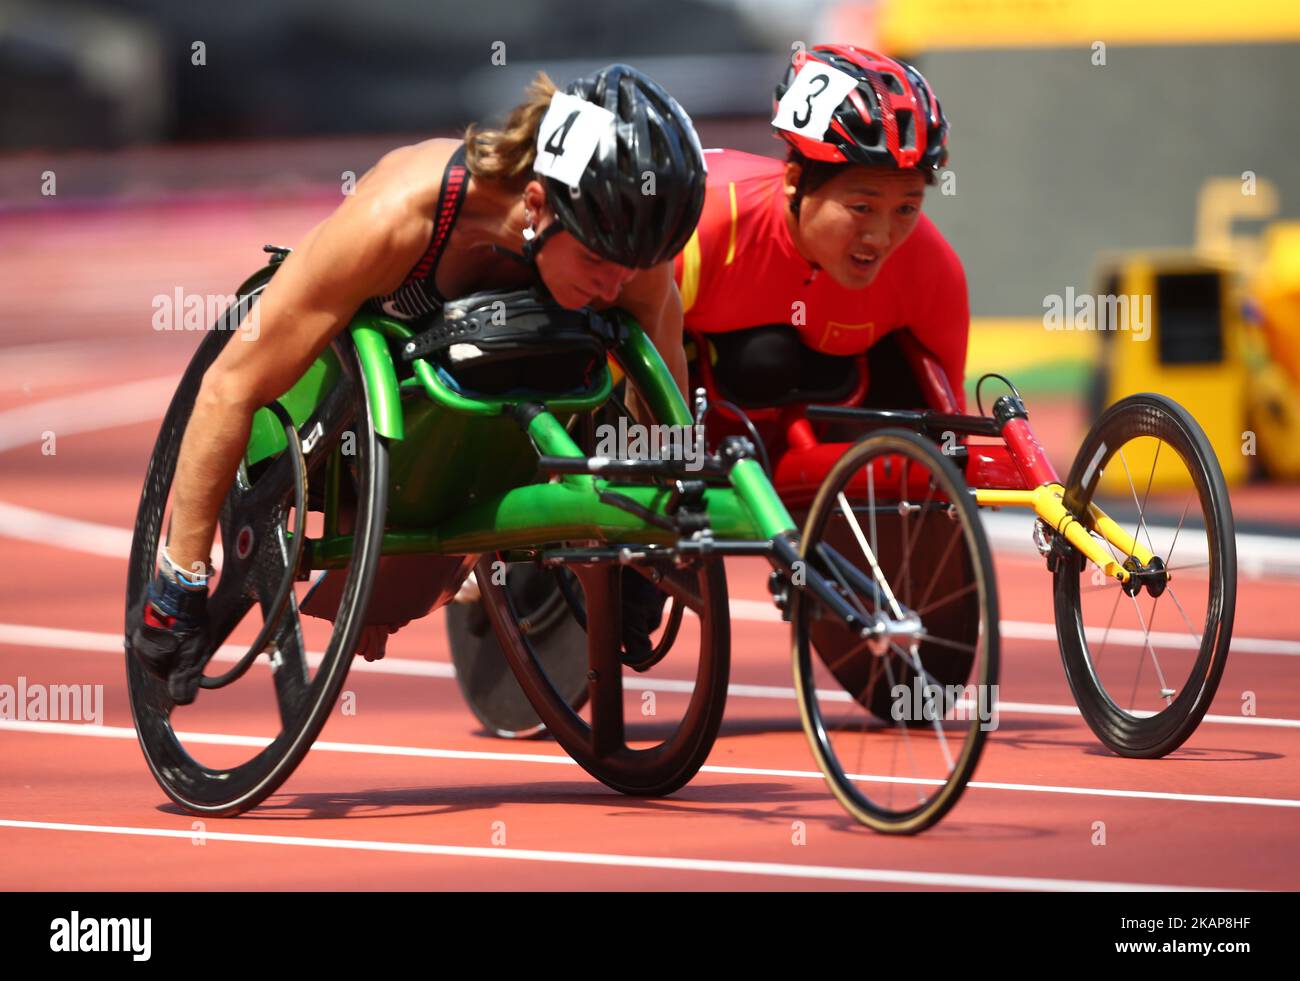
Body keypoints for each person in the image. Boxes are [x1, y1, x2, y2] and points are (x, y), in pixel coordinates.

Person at [129, 64, 708, 703]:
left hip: (499, 414)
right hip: (365, 426)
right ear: (538, 205)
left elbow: (664, 417)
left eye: (635, 267)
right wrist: (178, 580)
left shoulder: (629, 245)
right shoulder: (398, 216)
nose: (616, 285)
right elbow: (229, 387)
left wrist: (653, 537)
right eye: (598, 260)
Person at [673, 44, 968, 412]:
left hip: (826, 434)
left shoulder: (928, 267)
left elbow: (954, 433)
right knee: (763, 358)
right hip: (684, 423)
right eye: (862, 207)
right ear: (795, 181)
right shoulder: (699, 223)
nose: (880, 237)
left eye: (907, 208)